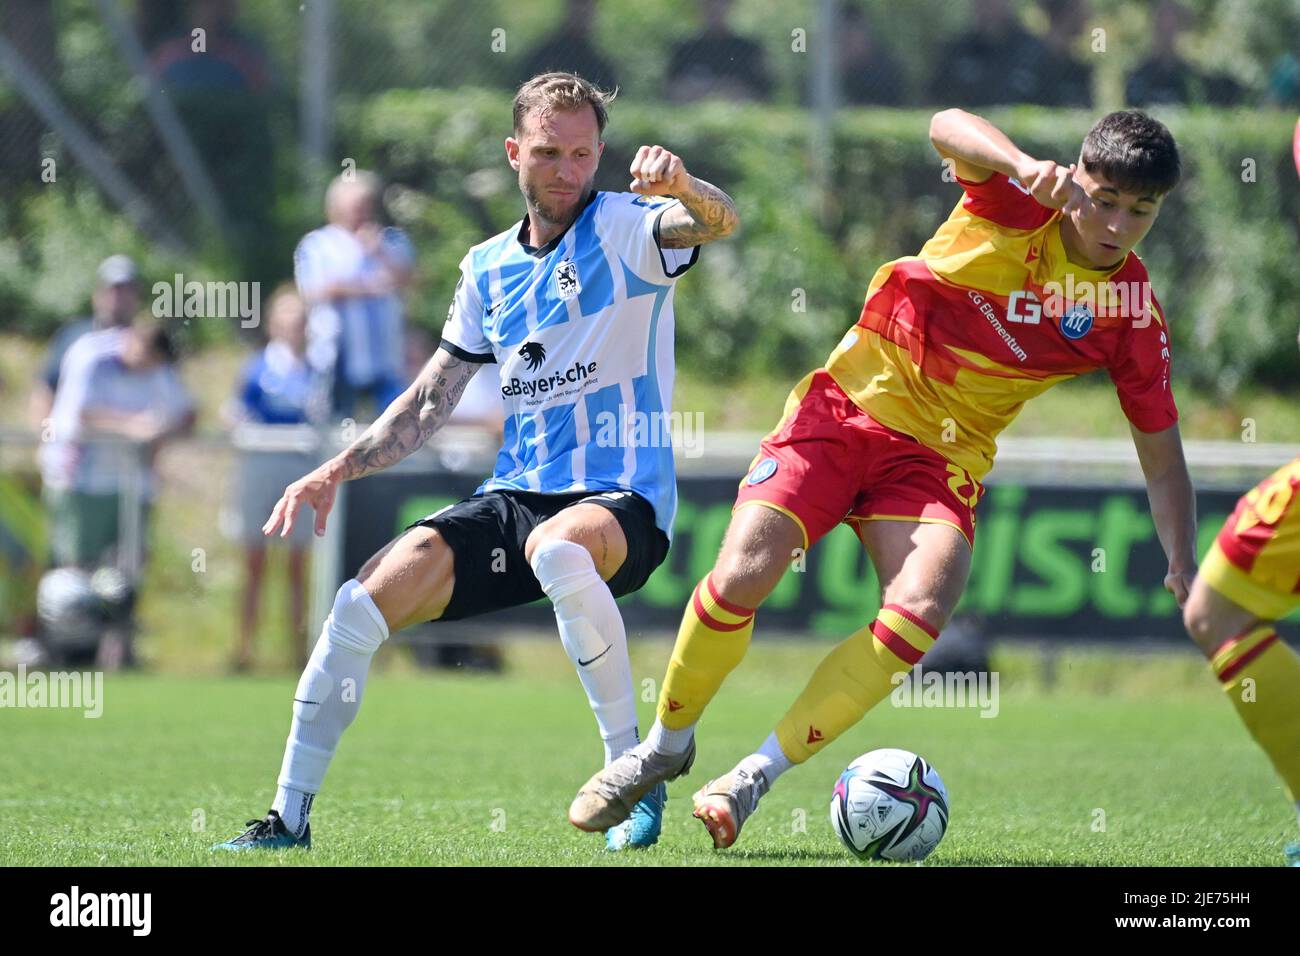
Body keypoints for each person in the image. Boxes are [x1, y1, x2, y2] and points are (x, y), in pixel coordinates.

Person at [570, 108, 1197, 850]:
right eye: (1104, 199)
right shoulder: (1018, 199)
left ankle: (751, 779)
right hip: (844, 412)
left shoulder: (1129, 312)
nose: (1117, 224)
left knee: (923, 604)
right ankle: (665, 749)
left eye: (1141, 211)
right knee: (743, 572)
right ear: (1077, 179)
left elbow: (1161, 452)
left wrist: (1184, 562)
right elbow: (945, 124)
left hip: (940, 461)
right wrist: (1020, 163)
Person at [214, 72, 739, 853]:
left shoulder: (630, 226)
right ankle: (286, 820)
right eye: (550, 152)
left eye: (583, 154)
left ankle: (633, 773)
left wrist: (686, 185)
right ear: (514, 153)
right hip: (516, 496)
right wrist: (335, 469)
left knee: (558, 546)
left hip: (622, 499)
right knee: (359, 604)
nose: (567, 170)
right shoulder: (488, 268)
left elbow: (719, 224)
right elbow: (430, 401)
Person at [39, 320, 196, 667]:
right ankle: (69, 652)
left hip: (130, 485)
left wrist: (163, 432)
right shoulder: (91, 355)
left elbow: (186, 413)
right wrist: (132, 426)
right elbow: (78, 414)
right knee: (76, 571)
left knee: (126, 571)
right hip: (82, 479)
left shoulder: (159, 368)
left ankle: (117, 651)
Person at [223, 285, 322, 672]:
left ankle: (298, 652)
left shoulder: (317, 371)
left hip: (300, 467)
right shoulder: (257, 369)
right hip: (261, 466)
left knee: (300, 566)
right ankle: (244, 648)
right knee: (254, 562)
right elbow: (236, 412)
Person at [294, 171, 415, 421]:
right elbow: (315, 290)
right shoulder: (318, 244)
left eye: (366, 204)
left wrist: (379, 252)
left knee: (392, 426)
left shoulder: (391, 240)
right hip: (337, 360)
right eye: (355, 206)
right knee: (336, 427)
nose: (361, 212)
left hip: (386, 357)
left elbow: (408, 280)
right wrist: (368, 288)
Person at [30, 255, 140, 426]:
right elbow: (45, 391)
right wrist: (46, 437)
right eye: (111, 290)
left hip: (126, 446)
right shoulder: (75, 336)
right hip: (76, 446)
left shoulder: (146, 342)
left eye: (125, 290)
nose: (117, 298)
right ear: (97, 294)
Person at [666, 0, 773, 104]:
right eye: (708, 3)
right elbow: (670, 92)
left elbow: (764, 95)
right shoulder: (684, 49)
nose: (714, 8)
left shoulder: (748, 50)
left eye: (719, 3)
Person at [518, 0, 618, 93]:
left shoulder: (599, 65)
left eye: (587, 8)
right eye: (578, 6)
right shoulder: (547, 55)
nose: (583, 13)